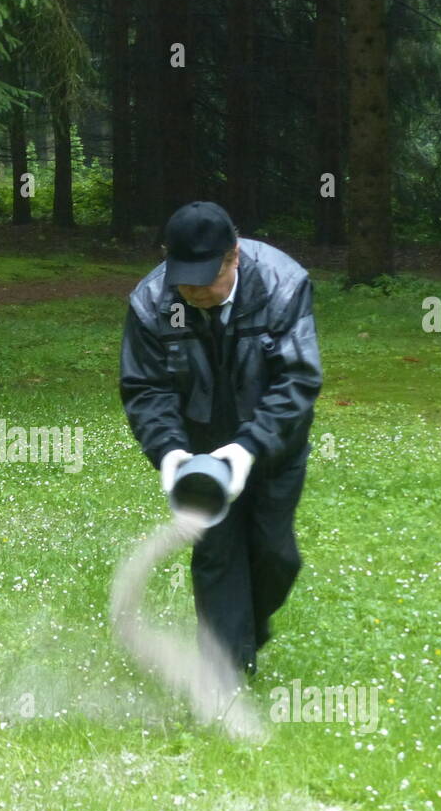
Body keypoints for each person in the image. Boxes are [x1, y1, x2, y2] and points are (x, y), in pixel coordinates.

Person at [119, 201, 323, 679]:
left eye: (204, 278)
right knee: (217, 555)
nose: (192, 292)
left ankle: (246, 630)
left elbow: (296, 381)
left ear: (233, 257)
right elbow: (146, 387)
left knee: (276, 556)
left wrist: (248, 448)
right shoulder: (152, 302)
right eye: (183, 278)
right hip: (199, 453)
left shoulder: (282, 284)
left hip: (274, 446)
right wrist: (168, 452)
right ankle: (226, 671)